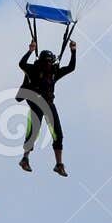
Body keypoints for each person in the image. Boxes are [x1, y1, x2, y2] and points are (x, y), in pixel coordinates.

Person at [16, 37, 76, 175]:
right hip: (36, 101)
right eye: (49, 62)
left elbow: (71, 67)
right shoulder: (33, 70)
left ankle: (59, 164)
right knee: (34, 131)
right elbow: (21, 64)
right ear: (45, 62)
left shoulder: (54, 73)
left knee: (58, 134)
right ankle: (25, 159)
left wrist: (73, 51)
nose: (51, 65)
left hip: (48, 104)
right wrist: (30, 51)